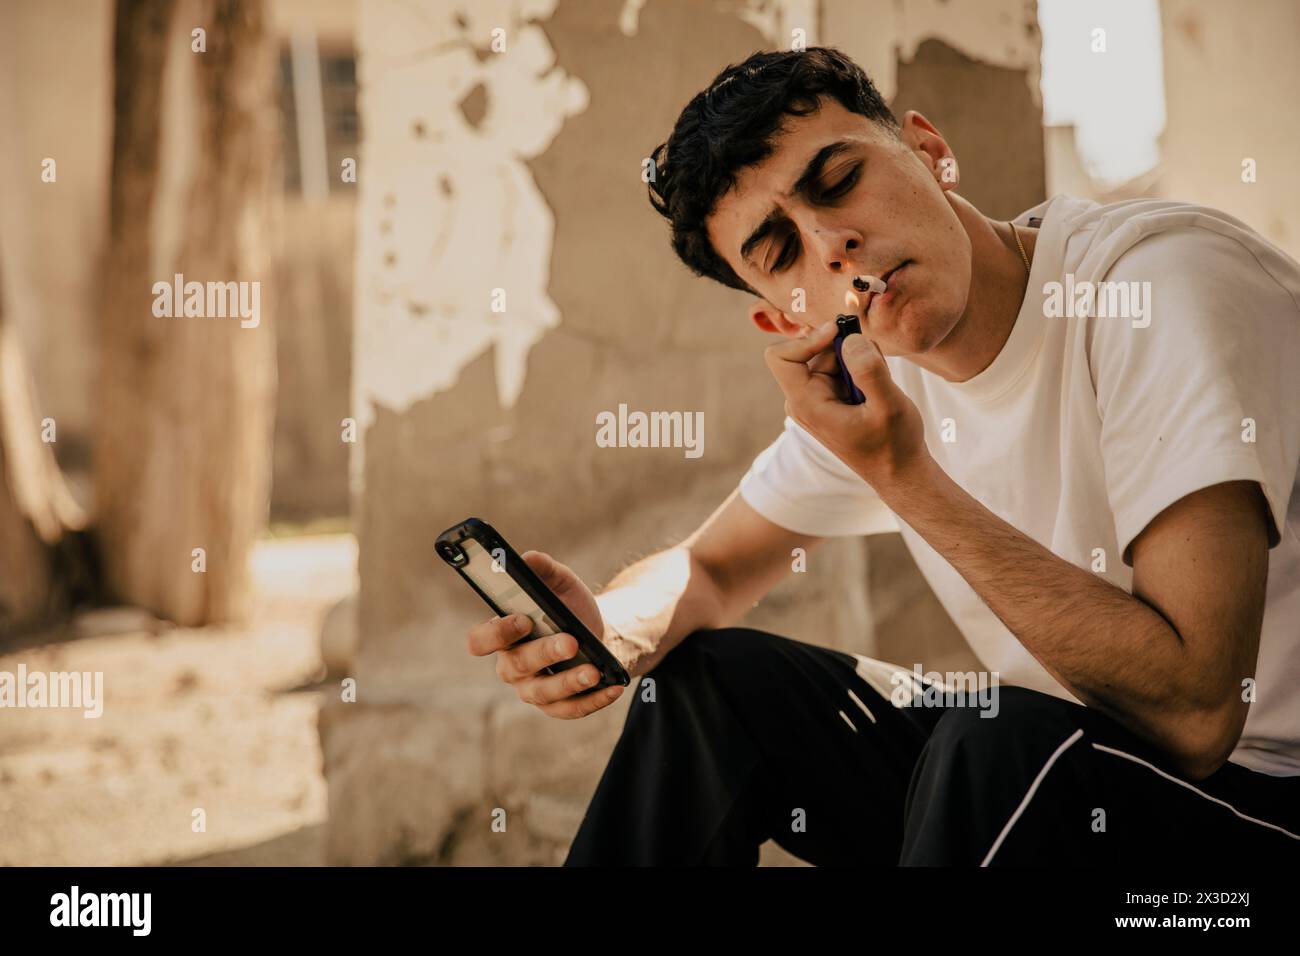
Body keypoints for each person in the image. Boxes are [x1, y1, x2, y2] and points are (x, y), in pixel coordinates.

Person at [465, 47, 1300, 865]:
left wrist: (905, 478)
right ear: (785, 322)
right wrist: (610, 633)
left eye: (838, 181)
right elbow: (710, 571)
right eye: (781, 252)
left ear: (931, 151)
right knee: (710, 687)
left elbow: (1196, 716)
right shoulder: (879, 381)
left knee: (998, 745)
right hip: (1087, 779)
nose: (833, 243)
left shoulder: (1152, 291)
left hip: (1264, 798)